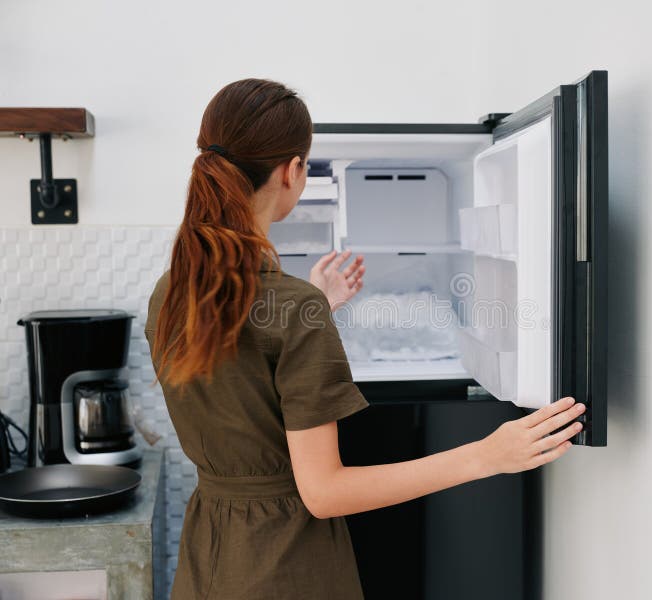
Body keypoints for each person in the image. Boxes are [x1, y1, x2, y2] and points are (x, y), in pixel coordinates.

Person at [144, 77, 586, 600]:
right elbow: (324, 492)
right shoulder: (292, 309)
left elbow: (243, 366)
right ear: (292, 171)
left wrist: (315, 308)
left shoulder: (172, 292)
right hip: (285, 570)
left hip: (209, 560)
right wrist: (487, 455)